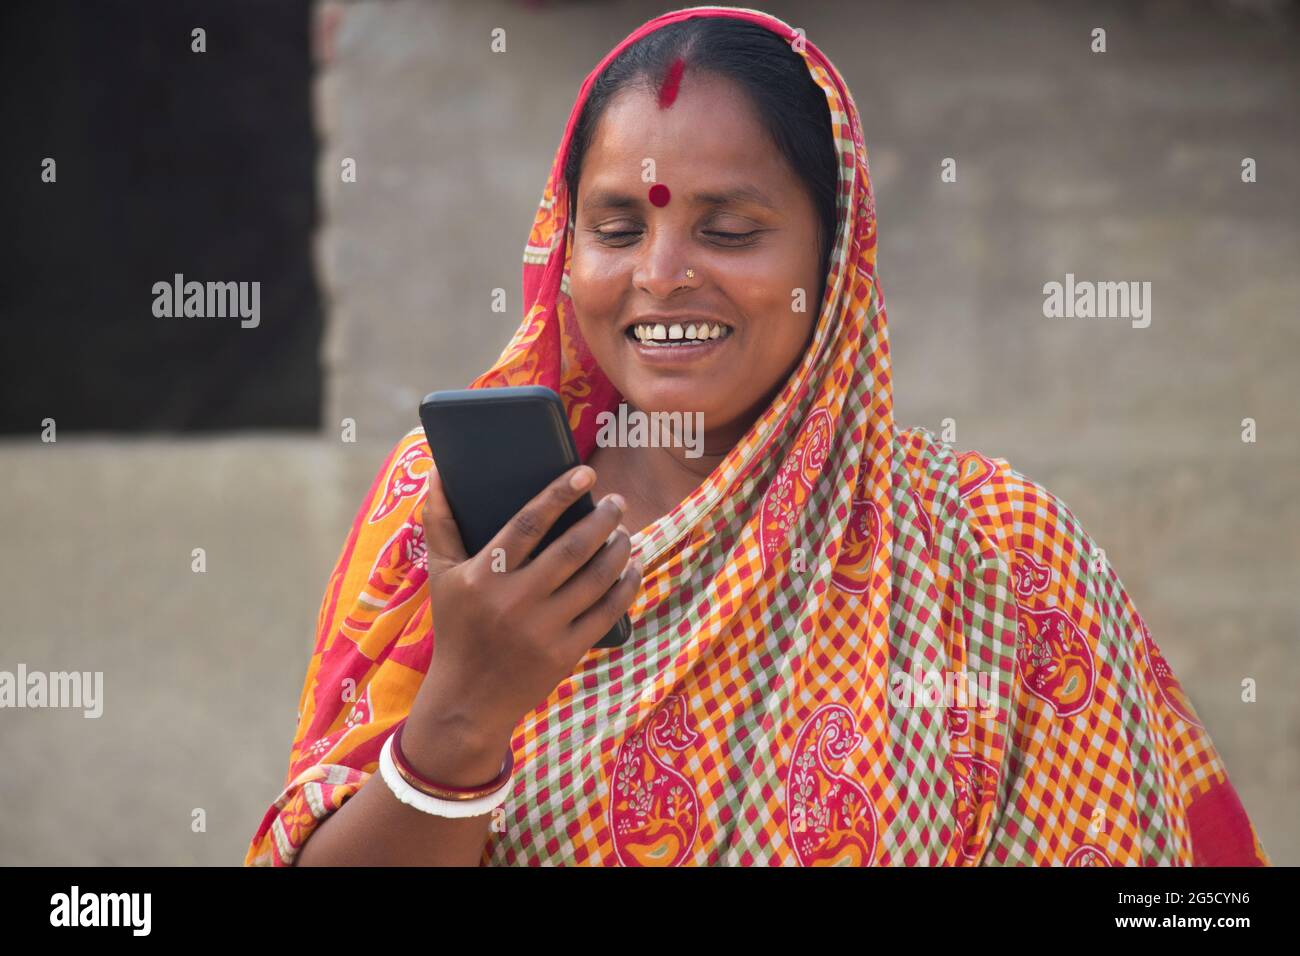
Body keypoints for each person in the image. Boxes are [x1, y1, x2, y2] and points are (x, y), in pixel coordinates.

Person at [245, 5, 1269, 866]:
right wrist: (465, 709)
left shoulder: (995, 553)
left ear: (837, 258)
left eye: (728, 230)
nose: (659, 273)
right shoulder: (462, 512)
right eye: (614, 227)